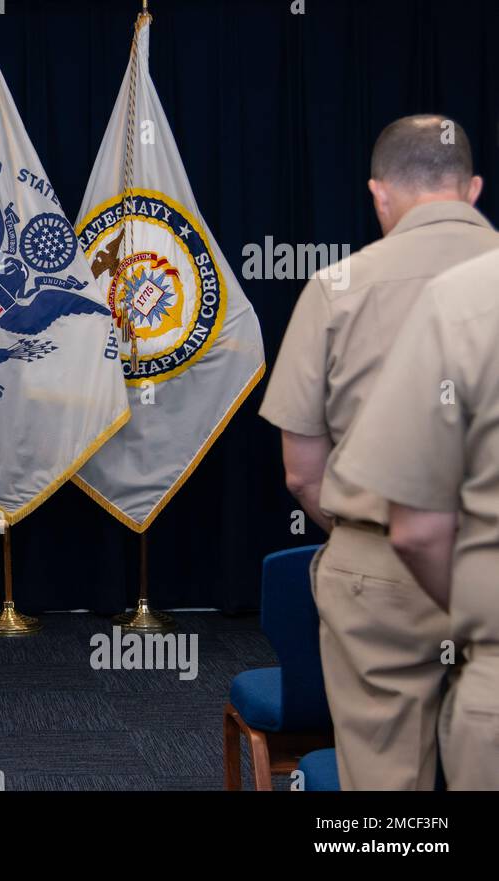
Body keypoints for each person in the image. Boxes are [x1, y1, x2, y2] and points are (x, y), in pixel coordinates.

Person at [258, 114, 499, 789]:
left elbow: (302, 471)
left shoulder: (334, 288)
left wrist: (371, 535)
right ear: (474, 189)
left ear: (379, 196)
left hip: (378, 567)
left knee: (386, 796)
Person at [334, 247, 499, 790]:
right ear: (474, 188)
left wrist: (474, 603)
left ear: (379, 193)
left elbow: (417, 531)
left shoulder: (461, 298)